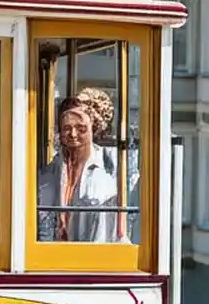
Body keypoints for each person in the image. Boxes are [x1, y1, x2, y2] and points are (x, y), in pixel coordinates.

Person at [37, 88, 137, 243]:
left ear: (94, 127)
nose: (73, 134)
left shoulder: (112, 168)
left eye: (81, 128)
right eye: (66, 128)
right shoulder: (50, 171)